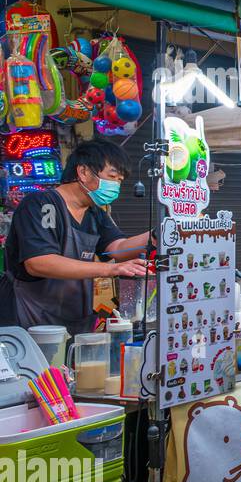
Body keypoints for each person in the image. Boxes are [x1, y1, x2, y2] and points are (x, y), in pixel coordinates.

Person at [2, 139, 150, 335]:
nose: (116, 185)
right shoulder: (40, 204)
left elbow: (119, 247)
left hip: (75, 322)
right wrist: (110, 268)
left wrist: (156, 236)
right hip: (30, 320)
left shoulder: (94, 213)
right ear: (83, 172)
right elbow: (39, 262)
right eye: (112, 176)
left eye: (120, 181)